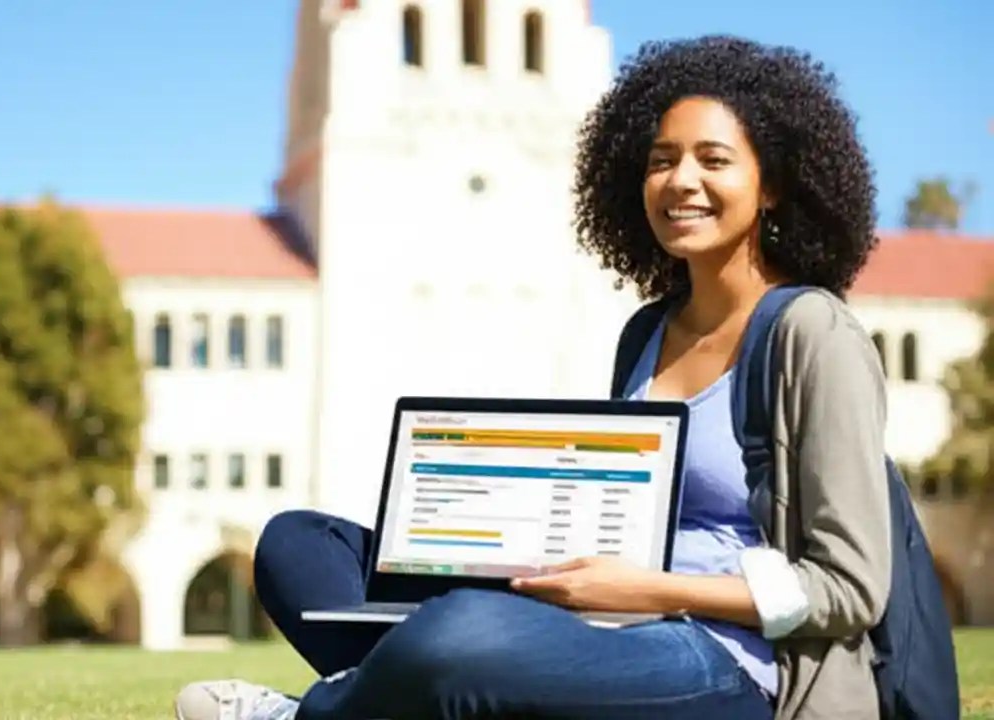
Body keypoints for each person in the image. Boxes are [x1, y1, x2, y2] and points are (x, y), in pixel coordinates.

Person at [173, 34, 890, 720]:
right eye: (661, 160)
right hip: (599, 620)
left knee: (459, 634)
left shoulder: (811, 333)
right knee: (299, 547)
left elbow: (850, 589)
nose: (682, 182)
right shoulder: (647, 333)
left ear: (771, 187)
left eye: (714, 160)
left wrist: (642, 588)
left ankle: (315, 714)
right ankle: (440, 689)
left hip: (726, 660)